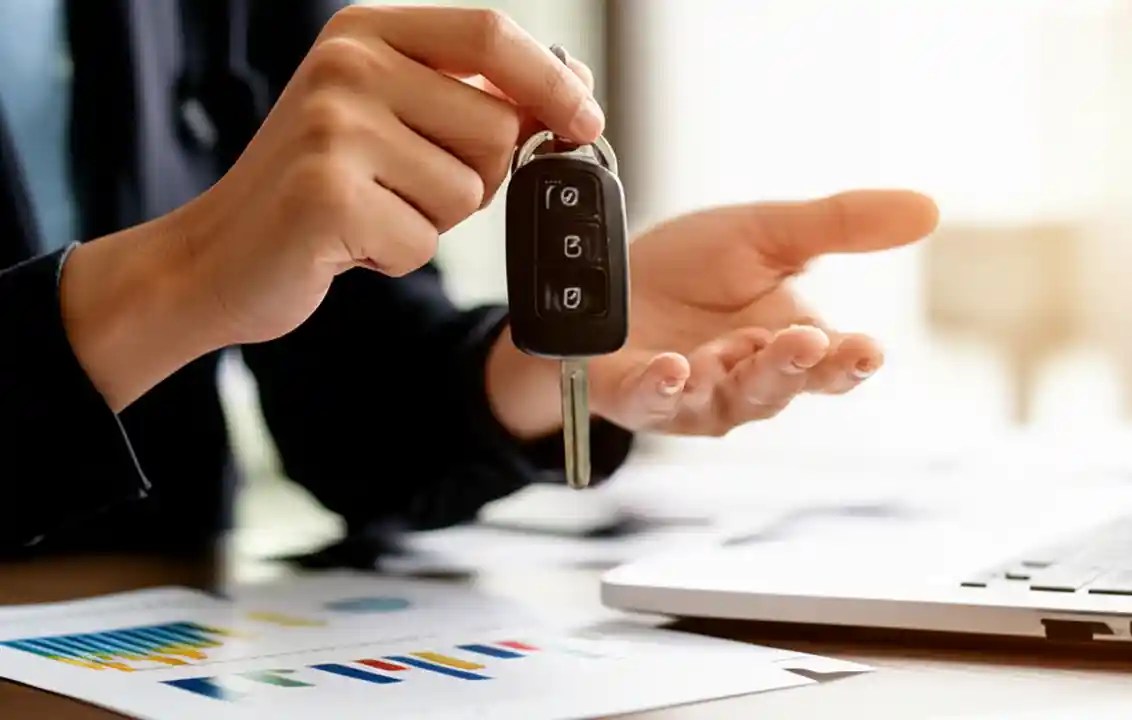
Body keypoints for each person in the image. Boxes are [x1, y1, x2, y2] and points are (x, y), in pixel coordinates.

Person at [0, 2, 938, 557]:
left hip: (165, 613)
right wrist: (187, 275)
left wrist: (539, 356)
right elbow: (221, 273)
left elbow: (351, 406)